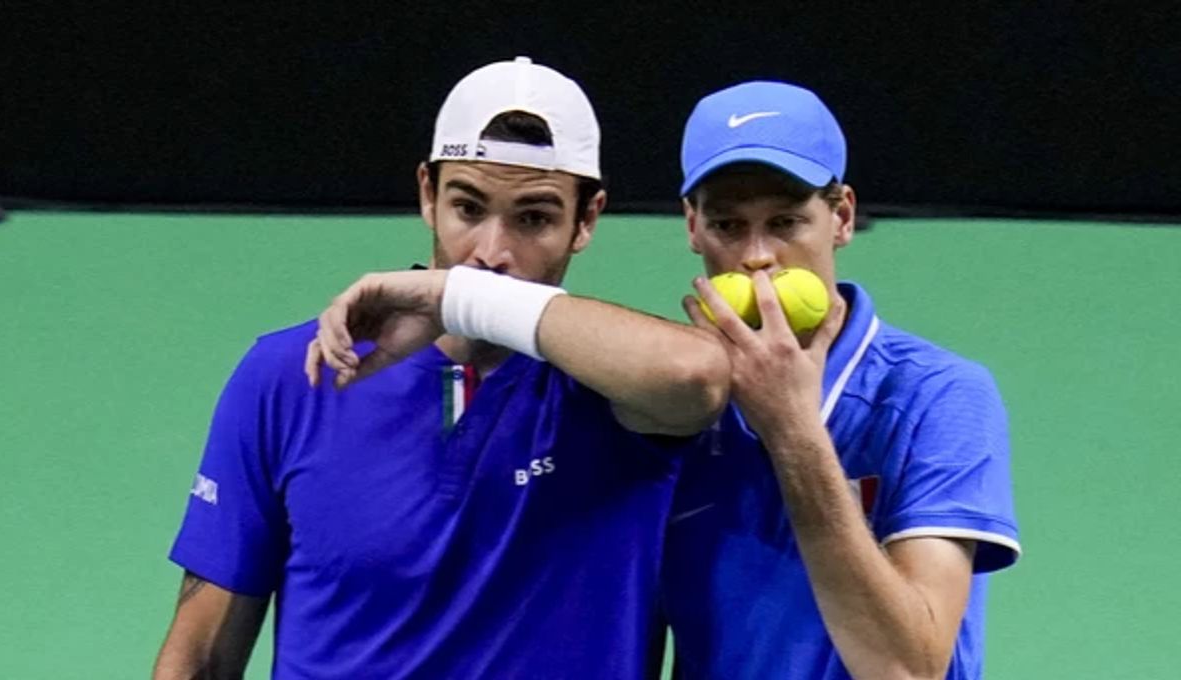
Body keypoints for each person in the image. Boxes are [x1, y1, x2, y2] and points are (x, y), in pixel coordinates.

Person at [153, 57, 733, 679]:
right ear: (428, 194)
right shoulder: (290, 376)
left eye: (533, 218)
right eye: (469, 208)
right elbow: (201, 657)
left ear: (586, 219)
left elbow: (695, 377)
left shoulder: (619, 388)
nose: (491, 252)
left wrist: (458, 298)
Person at [661, 81, 1021, 679]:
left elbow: (908, 669)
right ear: (692, 226)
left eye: (786, 221)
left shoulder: (938, 395)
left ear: (842, 217)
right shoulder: (669, 404)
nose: (757, 256)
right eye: (728, 225)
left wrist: (792, 429)